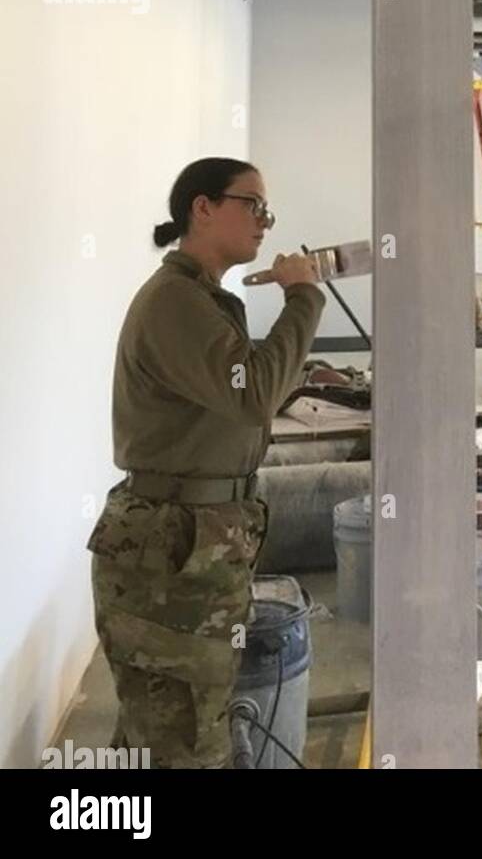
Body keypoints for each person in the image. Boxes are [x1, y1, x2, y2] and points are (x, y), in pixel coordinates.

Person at [87, 158, 325, 767]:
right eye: (254, 205)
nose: (265, 222)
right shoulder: (175, 302)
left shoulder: (201, 299)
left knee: (170, 725)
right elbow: (251, 393)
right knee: (182, 738)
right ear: (202, 207)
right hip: (171, 552)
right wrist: (303, 297)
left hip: (196, 545)